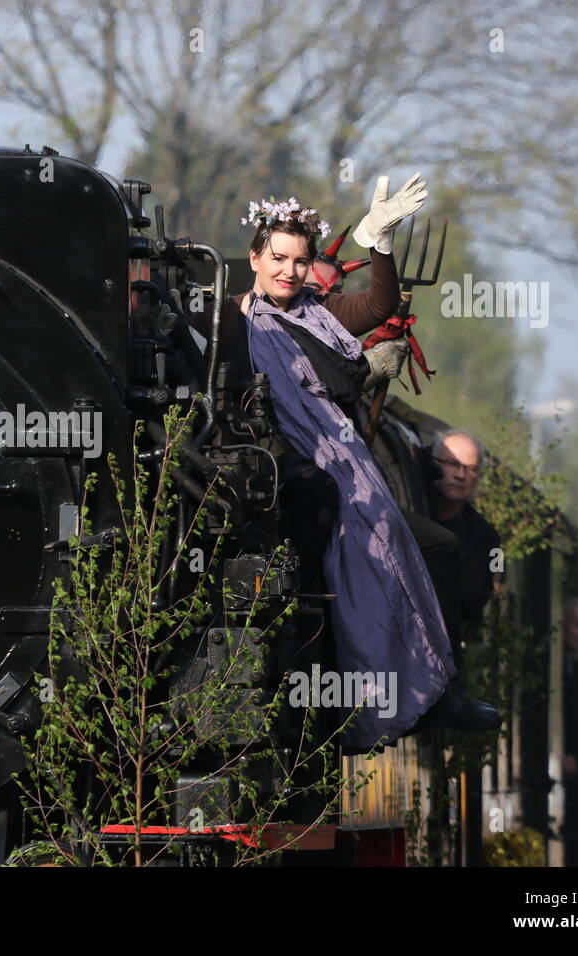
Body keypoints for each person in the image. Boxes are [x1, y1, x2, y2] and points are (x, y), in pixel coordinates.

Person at [222, 177, 499, 750]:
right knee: (358, 551)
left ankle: (433, 692)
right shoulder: (232, 323)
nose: (289, 272)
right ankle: (377, 702)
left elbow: (378, 304)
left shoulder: (317, 312)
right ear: (255, 257)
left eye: (300, 261)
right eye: (278, 259)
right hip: (291, 469)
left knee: (424, 547)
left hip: (348, 463)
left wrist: (379, 242)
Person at [429, 429, 503, 641]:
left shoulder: (487, 538)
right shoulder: (412, 506)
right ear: (434, 463)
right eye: (452, 463)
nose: (460, 475)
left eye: (471, 468)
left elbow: (474, 601)